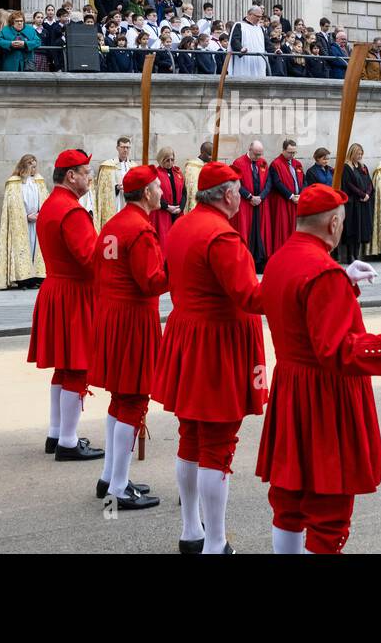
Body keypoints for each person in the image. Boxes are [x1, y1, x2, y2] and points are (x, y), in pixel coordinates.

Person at [255, 183, 381, 553]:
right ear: (333, 224)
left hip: (292, 390)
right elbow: (337, 350)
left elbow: (298, 303)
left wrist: (341, 278)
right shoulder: (322, 272)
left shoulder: (281, 258)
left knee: (288, 503)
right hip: (323, 398)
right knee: (328, 513)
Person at [152, 162, 267, 555]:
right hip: (218, 343)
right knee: (218, 442)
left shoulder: (183, 225)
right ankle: (215, 542)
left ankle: (191, 532)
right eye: (237, 189)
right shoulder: (222, 236)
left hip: (188, 334)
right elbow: (250, 296)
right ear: (229, 194)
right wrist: (298, 282)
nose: (240, 194)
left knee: (191, 437)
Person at [89, 165, 167, 511]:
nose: (163, 192)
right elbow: (151, 281)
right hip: (134, 319)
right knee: (134, 398)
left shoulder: (113, 224)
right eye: (158, 187)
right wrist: (177, 268)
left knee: (122, 398)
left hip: (111, 315)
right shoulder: (140, 230)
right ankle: (118, 488)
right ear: (147, 194)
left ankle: (110, 475)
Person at [27, 150, 103, 460]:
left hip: (56, 289)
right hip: (75, 293)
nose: (90, 177)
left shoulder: (51, 205)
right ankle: (69, 442)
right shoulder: (72, 211)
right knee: (77, 367)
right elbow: (91, 260)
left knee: (63, 366)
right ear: (71, 176)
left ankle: (56, 433)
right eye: (86, 172)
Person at [0, 154, 48, 290]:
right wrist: (26, 216)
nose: (34, 170)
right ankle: (24, 280)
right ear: (24, 166)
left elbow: (46, 200)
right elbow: (12, 206)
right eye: (31, 166)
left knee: (36, 249)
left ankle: (37, 277)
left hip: (37, 221)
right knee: (23, 249)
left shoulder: (39, 181)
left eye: (35, 167)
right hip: (22, 222)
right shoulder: (14, 183)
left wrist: (40, 214)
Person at [231, 141, 270, 272]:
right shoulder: (238, 163)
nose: (258, 157)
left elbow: (268, 183)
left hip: (260, 203)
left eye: (260, 154)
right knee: (246, 231)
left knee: (259, 231)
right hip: (245, 203)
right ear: (249, 149)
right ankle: (246, 261)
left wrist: (261, 197)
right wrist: (249, 197)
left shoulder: (263, 163)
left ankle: (259, 261)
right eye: (256, 154)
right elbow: (236, 183)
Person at [263, 139, 305, 255]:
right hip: (283, 201)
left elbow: (303, 180)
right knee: (284, 230)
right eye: (290, 152)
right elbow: (277, 183)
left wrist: (301, 194)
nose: (292, 155)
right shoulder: (276, 164)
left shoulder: (298, 164)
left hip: (297, 201)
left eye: (294, 153)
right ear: (283, 150)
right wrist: (291, 196)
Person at [338, 143, 374, 264]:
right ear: (352, 153)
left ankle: (357, 254)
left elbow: (369, 182)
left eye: (361, 154)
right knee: (352, 228)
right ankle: (350, 256)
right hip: (352, 203)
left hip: (363, 203)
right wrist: (362, 195)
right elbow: (348, 184)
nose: (359, 156)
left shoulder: (363, 167)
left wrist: (368, 194)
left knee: (361, 229)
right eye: (358, 154)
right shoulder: (347, 167)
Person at [92, 137, 135, 232]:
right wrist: (116, 188)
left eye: (128, 147)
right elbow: (104, 190)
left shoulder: (134, 166)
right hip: (115, 202)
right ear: (117, 148)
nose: (125, 150)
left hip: (129, 202)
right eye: (123, 147)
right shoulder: (108, 166)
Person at [153, 146, 186, 246]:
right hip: (162, 212)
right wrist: (167, 207)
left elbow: (184, 192)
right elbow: (154, 194)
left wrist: (180, 208)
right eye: (167, 160)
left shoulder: (178, 173)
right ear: (161, 160)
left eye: (172, 160)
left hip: (178, 212)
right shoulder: (155, 173)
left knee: (178, 240)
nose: (170, 163)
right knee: (164, 240)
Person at [227, 5, 269, 78]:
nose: (259, 19)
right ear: (249, 14)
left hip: (258, 62)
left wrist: (275, 50)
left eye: (260, 17)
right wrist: (240, 48)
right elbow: (235, 40)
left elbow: (267, 42)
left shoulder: (260, 28)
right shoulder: (239, 25)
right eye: (257, 16)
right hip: (244, 60)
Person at [183, 141, 213, 214]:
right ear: (202, 152)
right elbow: (190, 189)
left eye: (212, 154)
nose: (211, 157)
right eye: (209, 154)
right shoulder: (191, 167)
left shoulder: (212, 166)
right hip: (195, 205)